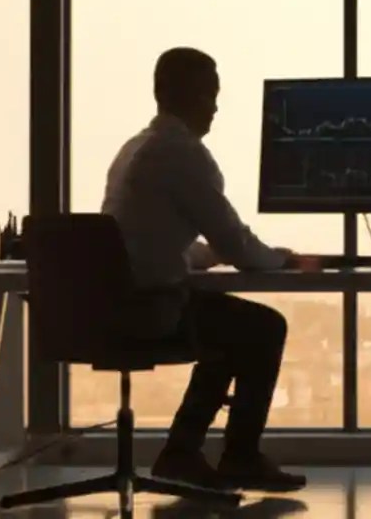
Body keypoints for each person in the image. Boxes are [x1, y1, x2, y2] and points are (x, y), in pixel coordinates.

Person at [101, 47, 318, 493]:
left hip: (114, 304)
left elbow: (152, 240)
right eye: (210, 95)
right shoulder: (182, 153)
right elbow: (238, 244)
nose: (215, 107)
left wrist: (209, 254)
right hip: (150, 307)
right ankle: (237, 457)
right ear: (186, 95)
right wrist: (282, 259)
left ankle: (182, 453)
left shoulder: (137, 147)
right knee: (263, 327)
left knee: (229, 329)